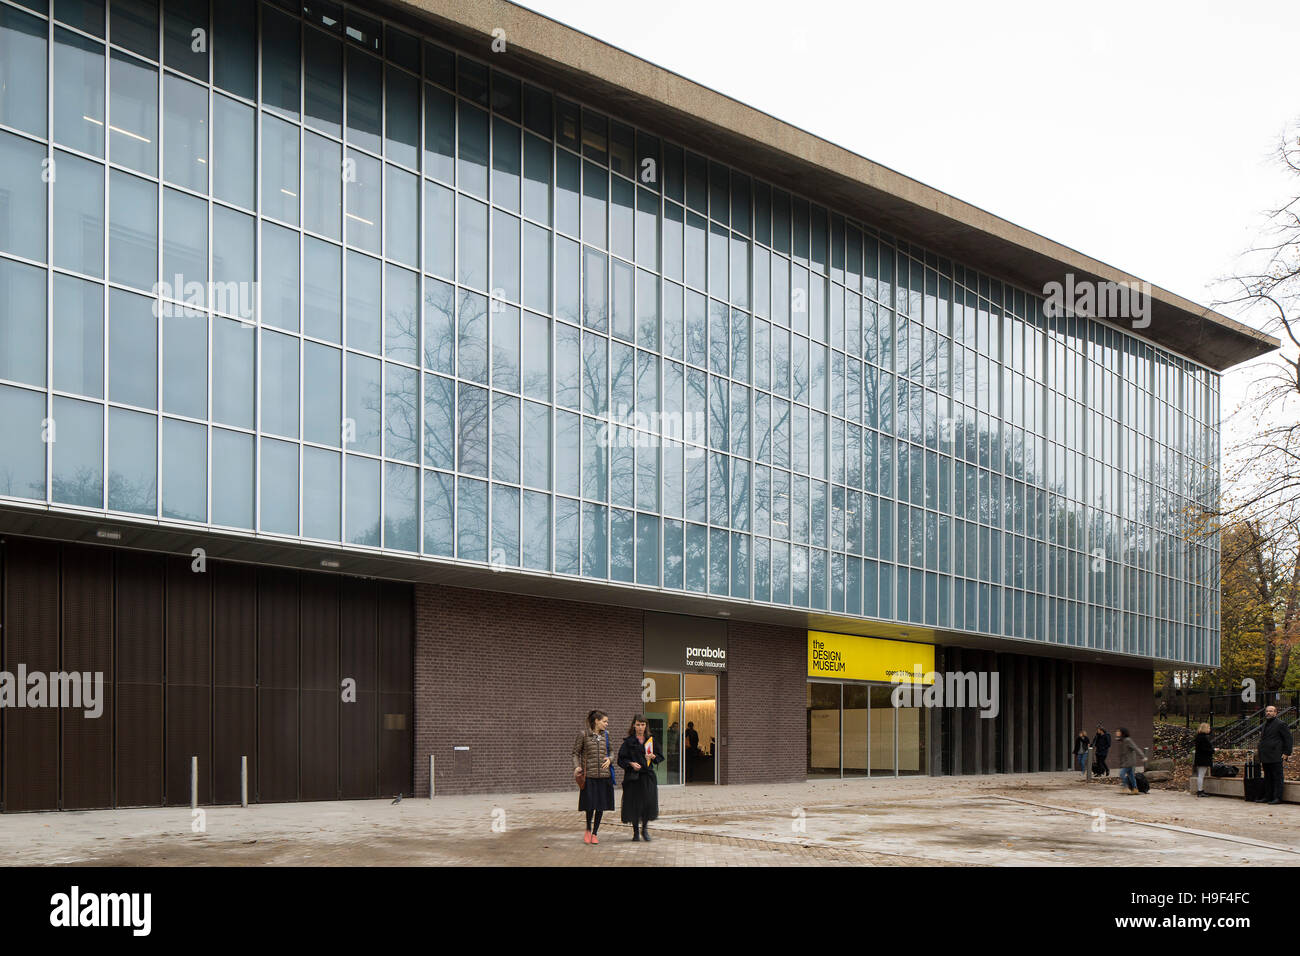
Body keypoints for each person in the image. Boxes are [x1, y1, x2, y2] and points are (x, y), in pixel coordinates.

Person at [572, 710, 617, 843]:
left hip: (604, 776)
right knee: (590, 805)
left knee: (601, 806)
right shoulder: (584, 734)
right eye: (604, 721)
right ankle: (587, 829)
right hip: (589, 776)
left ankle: (595, 833)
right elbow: (575, 753)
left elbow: (612, 751)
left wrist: (610, 759)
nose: (606, 724)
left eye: (607, 722)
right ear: (596, 721)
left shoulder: (607, 735)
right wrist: (576, 767)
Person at [618, 715, 664, 842]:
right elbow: (621, 759)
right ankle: (635, 832)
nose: (640, 727)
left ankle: (644, 830)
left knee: (647, 803)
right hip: (633, 778)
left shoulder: (651, 740)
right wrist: (631, 764)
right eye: (638, 724)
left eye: (643, 725)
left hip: (647, 777)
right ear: (633, 725)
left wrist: (654, 757)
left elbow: (660, 756)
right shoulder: (628, 742)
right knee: (634, 804)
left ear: (646, 726)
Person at [1255, 704, 1294, 806]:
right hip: (1265, 755)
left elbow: (1288, 739)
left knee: (1277, 777)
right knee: (1267, 777)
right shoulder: (1264, 724)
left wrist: (1286, 753)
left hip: (1276, 755)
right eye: (1267, 711)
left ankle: (1277, 797)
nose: (1268, 713)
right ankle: (1268, 796)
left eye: (1271, 711)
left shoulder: (1281, 724)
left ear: (1276, 713)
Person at [1115, 727, 1145, 795]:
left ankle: (1126, 787)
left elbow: (1135, 748)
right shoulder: (1122, 740)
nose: (1116, 732)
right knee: (1131, 777)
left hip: (1129, 762)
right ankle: (1135, 789)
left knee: (1121, 774)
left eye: (1118, 731)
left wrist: (1142, 756)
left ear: (1122, 732)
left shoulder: (1128, 740)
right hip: (1126, 762)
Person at [1192, 722, 1213, 797]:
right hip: (1203, 759)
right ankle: (1200, 791)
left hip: (1199, 758)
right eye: (1209, 728)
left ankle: (1200, 790)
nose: (1209, 729)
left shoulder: (1198, 737)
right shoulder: (1203, 738)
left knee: (1200, 775)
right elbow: (1205, 749)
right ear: (1205, 728)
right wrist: (1213, 750)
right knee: (1201, 775)